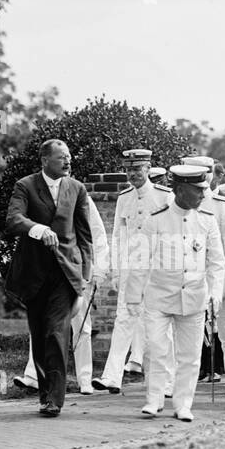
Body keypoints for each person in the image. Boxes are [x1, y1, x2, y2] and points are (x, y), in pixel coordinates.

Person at [124, 164, 224, 422]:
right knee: (156, 350)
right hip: (159, 297)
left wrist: (215, 293)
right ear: (180, 190)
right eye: (197, 189)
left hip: (194, 298)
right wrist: (133, 298)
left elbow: (217, 262)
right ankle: (154, 399)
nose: (203, 194)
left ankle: (183, 405)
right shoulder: (155, 220)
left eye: (204, 188)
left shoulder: (206, 220)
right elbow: (140, 262)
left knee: (190, 356)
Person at [3, 139, 94, 416]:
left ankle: (55, 398)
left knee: (57, 332)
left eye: (69, 157)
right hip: (34, 275)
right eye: (60, 158)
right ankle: (45, 395)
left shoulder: (77, 189)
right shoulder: (25, 186)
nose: (68, 162)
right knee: (41, 336)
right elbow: (13, 219)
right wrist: (38, 229)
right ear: (44, 161)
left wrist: (85, 275)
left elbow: (85, 236)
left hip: (65, 274)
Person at [93, 149, 171, 394]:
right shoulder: (124, 198)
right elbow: (117, 236)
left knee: (160, 324)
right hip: (130, 270)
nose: (132, 174)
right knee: (123, 320)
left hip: (156, 270)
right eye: (128, 169)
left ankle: (167, 380)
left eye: (137, 169)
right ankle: (111, 377)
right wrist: (116, 272)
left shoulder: (164, 196)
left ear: (148, 169)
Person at [15, 194, 109, 394]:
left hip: (76, 270)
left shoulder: (82, 198)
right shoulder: (39, 198)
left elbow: (98, 235)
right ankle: (33, 376)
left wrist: (99, 270)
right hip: (48, 272)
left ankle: (84, 380)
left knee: (81, 325)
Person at [183, 157, 225, 396]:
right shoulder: (179, 203)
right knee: (189, 334)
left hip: (219, 280)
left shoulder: (221, 205)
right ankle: (184, 381)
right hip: (190, 282)